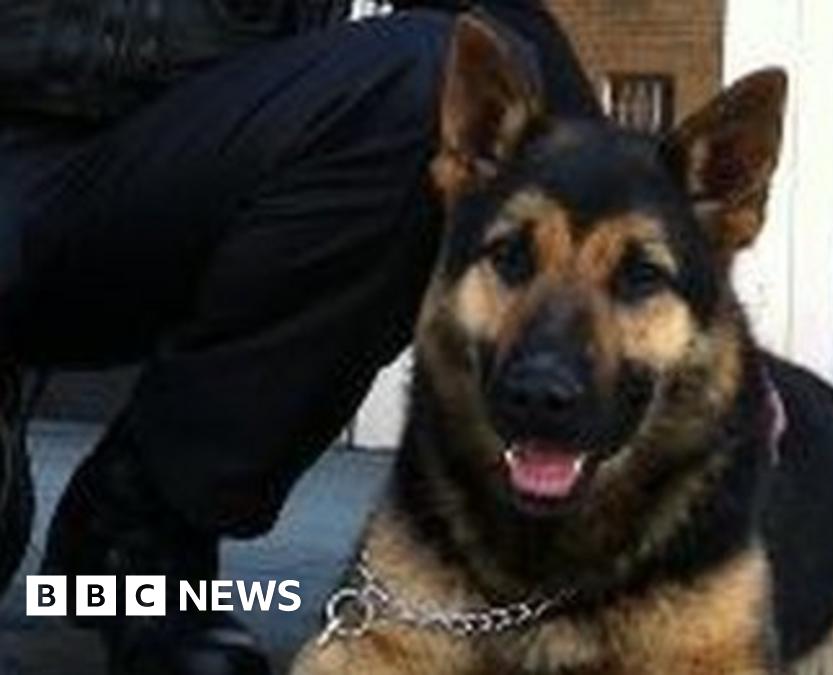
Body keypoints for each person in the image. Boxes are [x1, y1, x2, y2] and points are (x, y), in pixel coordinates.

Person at [0, 1, 600, 673]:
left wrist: (614, 265)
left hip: (184, 164)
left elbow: (494, 23)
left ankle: (137, 532)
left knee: (424, 77)